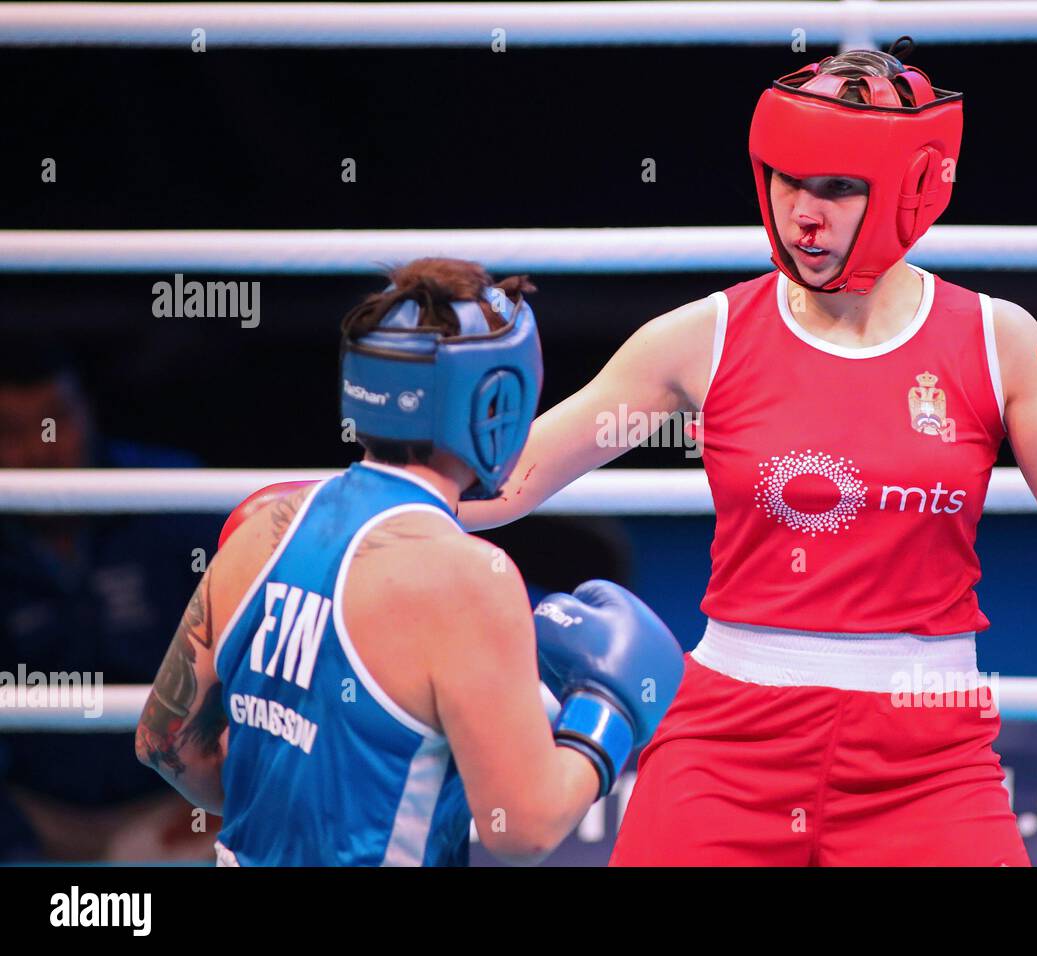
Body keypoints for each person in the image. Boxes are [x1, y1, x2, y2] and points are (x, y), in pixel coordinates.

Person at [457, 45, 1037, 865]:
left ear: (910, 191)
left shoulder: (998, 342)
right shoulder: (704, 337)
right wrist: (350, 504)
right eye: (787, 181)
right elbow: (513, 478)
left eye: (839, 188)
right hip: (727, 740)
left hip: (929, 754)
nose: (802, 214)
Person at [135, 258, 684, 865]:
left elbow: (165, 744)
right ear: (500, 401)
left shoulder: (266, 525)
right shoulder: (470, 580)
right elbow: (523, 829)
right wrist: (608, 712)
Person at [0, 345, 224, 862]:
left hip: (170, 804)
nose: (40, 449)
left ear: (88, 412)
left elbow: (254, 660)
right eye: (11, 432)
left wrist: (221, 790)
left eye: (54, 420)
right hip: (29, 809)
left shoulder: (171, 500)